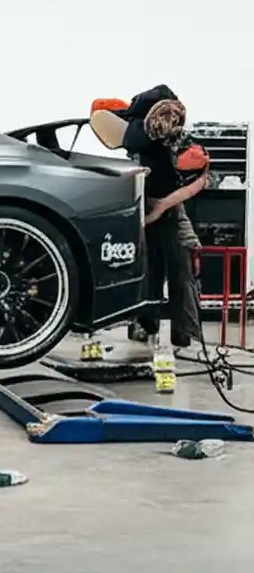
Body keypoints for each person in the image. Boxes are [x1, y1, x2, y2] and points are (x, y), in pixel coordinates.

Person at [91, 86, 209, 390]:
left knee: (182, 266)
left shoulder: (184, 142)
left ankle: (186, 335)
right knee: (144, 268)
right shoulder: (135, 129)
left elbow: (200, 181)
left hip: (171, 204)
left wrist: (163, 208)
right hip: (142, 203)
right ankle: (147, 326)